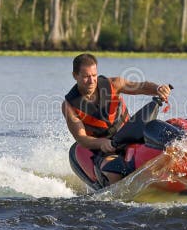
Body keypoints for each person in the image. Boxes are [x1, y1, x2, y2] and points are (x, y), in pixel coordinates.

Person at [62, 53, 171, 184]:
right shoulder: (69, 106)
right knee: (114, 170)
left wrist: (158, 88)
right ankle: (119, 200)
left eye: (94, 75)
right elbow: (82, 138)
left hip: (131, 135)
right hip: (103, 149)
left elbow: (142, 87)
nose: (91, 81)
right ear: (75, 76)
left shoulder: (114, 84)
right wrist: (102, 143)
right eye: (86, 77)